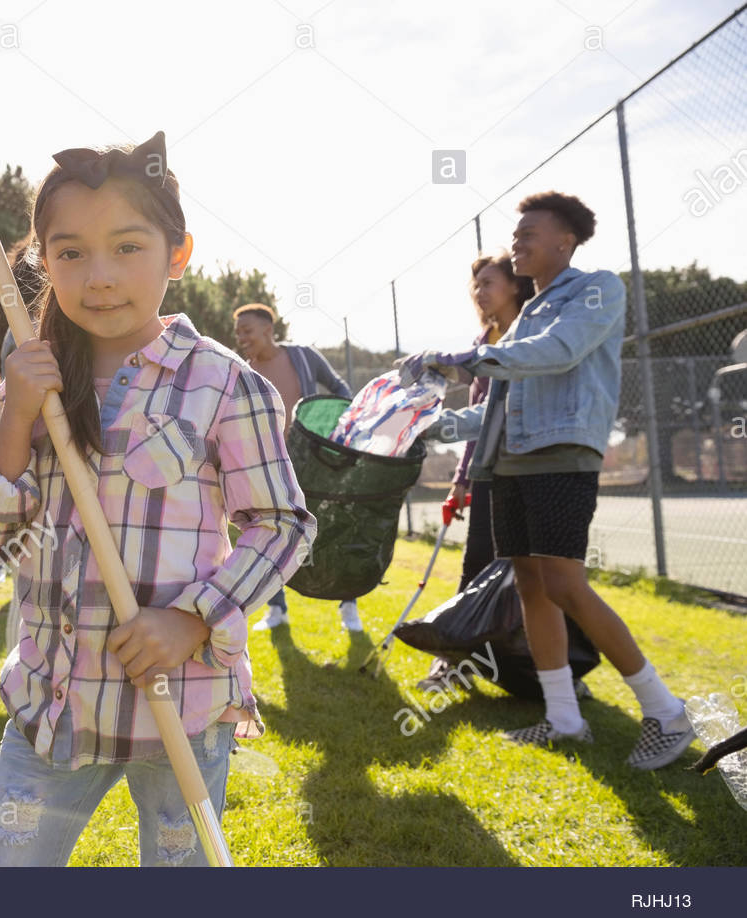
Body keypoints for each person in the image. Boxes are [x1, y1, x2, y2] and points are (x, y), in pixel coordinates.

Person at [0, 131, 316, 865]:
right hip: (52, 707)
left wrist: (193, 617)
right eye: (70, 253)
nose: (99, 277)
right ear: (40, 263)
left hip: (182, 708)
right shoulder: (29, 376)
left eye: (127, 247)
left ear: (176, 254)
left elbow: (282, 526)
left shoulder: (224, 385)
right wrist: (19, 414)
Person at [402, 190, 694, 769]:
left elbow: (559, 353)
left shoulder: (596, 288)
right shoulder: (522, 321)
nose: (517, 241)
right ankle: (563, 718)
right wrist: (429, 425)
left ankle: (666, 712)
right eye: (516, 234)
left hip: (560, 456)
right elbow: (499, 409)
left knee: (562, 584)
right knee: (531, 585)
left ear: (566, 239)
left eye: (529, 231)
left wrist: (463, 361)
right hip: (509, 461)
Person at [416, 252, 533, 693]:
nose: (480, 292)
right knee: (476, 563)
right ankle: (450, 664)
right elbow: (477, 417)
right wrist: (463, 477)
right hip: (488, 473)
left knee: (535, 574)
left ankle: (546, 669)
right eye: (476, 284)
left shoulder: (530, 337)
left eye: (489, 282)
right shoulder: (483, 339)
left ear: (516, 286)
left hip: (530, 470)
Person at [232, 303, 362, 634]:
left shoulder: (303, 356)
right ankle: (276, 610)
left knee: (335, 529)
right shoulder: (244, 373)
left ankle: (348, 605)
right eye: (238, 332)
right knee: (269, 531)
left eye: (246, 330)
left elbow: (339, 389)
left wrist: (334, 426)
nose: (241, 337)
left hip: (317, 461)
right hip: (274, 466)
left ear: (267, 330)